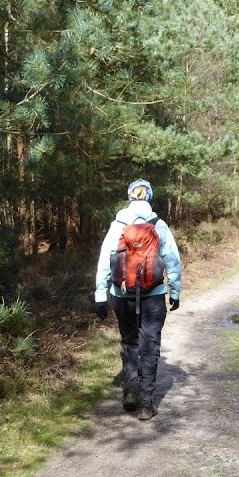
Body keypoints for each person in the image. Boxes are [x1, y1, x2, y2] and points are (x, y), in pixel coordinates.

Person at [94, 179, 181, 420]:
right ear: (149, 197)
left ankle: (130, 394)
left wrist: (100, 296)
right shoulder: (158, 225)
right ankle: (145, 405)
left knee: (130, 343)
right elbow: (172, 262)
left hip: (121, 296)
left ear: (130, 198)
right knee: (150, 347)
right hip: (153, 297)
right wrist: (174, 292)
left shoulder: (117, 226)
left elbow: (104, 262)